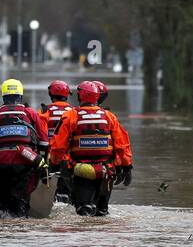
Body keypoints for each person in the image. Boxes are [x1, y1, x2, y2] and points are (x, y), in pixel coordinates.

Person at [48, 80, 132, 216]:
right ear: (97, 97)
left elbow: (58, 146)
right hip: (106, 172)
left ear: (80, 96)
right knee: (102, 212)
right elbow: (122, 145)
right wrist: (127, 167)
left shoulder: (71, 116)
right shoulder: (109, 116)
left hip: (81, 172)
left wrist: (55, 164)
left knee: (84, 211)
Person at [0, 78, 49, 218]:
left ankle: (1, 227)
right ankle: (18, 227)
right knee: (20, 207)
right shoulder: (30, 113)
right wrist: (43, 166)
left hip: (0, 163)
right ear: (20, 96)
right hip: (23, 163)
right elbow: (44, 143)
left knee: (1, 207)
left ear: (3, 96)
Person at [39, 80, 76, 201]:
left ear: (51, 94)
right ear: (66, 95)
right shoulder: (75, 111)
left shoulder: (44, 111)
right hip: (70, 160)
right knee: (68, 195)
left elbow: (38, 133)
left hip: (48, 158)